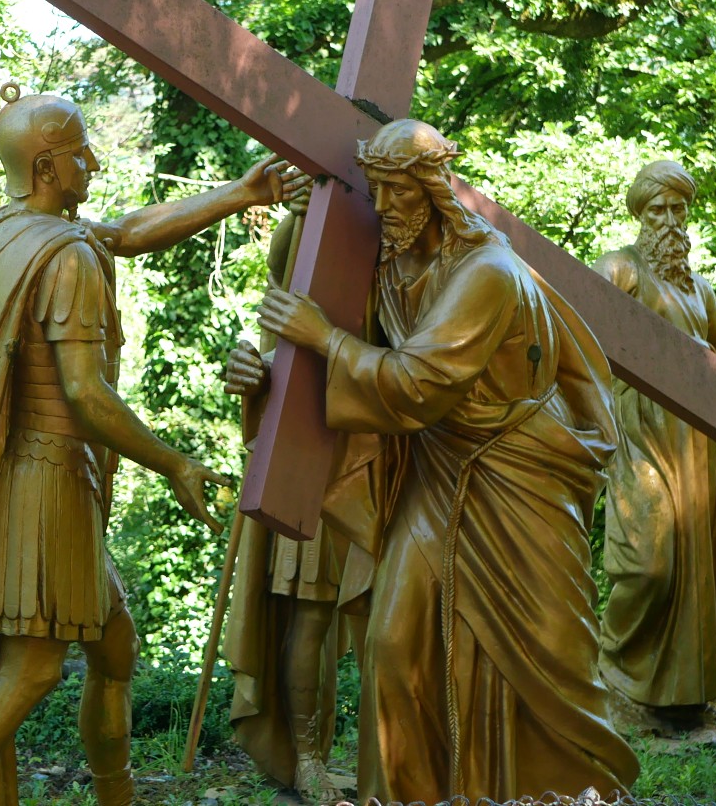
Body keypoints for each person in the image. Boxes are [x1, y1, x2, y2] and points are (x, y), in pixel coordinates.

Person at [0, 88, 308, 806]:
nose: (92, 162)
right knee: (32, 670)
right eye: (78, 153)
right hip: (49, 485)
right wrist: (176, 462)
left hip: (24, 479)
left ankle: (115, 796)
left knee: (114, 644)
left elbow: (124, 232)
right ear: (44, 166)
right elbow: (86, 396)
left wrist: (238, 192)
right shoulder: (64, 260)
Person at [256, 118, 639, 801]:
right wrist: (265, 377)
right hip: (436, 475)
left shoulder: (486, 272)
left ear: (432, 189)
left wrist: (324, 341)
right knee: (394, 646)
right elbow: (316, 308)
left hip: (519, 477)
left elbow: (415, 384)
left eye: (398, 192)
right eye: (375, 190)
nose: (383, 207)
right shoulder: (392, 266)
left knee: (545, 655)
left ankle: (557, 795)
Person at [594, 160, 716, 730]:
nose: (668, 221)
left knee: (695, 567)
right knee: (649, 564)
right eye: (656, 210)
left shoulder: (698, 288)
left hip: (697, 444)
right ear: (640, 215)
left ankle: (681, 699)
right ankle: (609, 672)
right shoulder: (622, 268)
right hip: (639, 435)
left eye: (677, 209)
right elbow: (584, 321)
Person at [220, 196, 351, 802]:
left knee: (389, 614)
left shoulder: (387, 282)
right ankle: (307, 756)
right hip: (311, 463)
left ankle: (394, 749)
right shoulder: (287, 301)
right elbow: (276, 368)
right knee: (310, 612)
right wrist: (252, 374)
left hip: (378, 463)